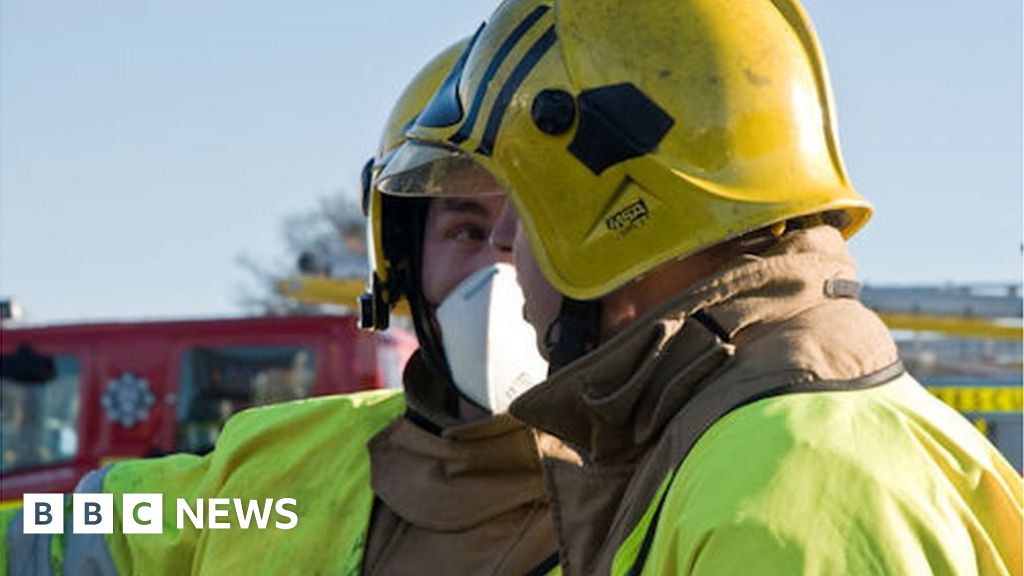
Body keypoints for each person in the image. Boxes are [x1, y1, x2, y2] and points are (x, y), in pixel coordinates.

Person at [377, 0, 1024, 574]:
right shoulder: (775, 442)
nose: (504, 239)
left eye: (522, 196)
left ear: (611, 213)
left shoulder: (778, 486)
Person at [5, 40, 566, 576]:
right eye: (467, 230)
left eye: (541, 227)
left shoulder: (647, 497)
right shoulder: (274, 475)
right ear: (401, 258)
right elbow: (78, 530)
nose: (503, 268)